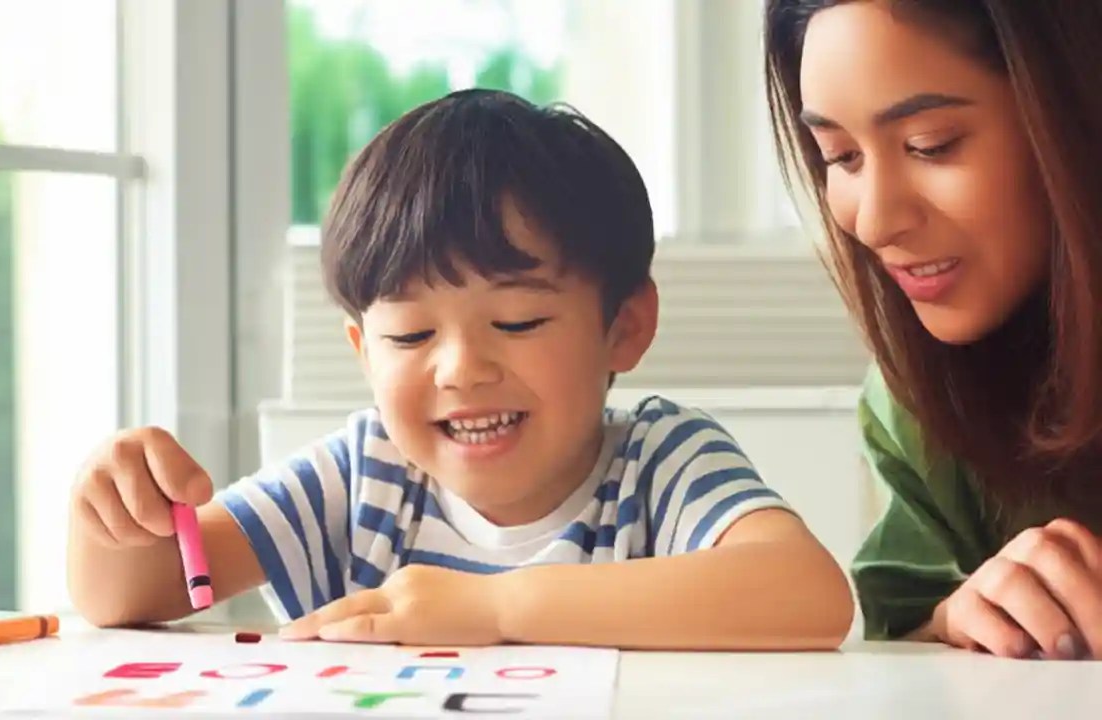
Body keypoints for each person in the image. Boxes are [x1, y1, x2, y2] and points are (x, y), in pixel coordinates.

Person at [67, 89, 853, 649]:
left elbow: (808, 596)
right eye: (409, 337)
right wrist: (110, 508)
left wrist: (497, 605)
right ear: (362, 352)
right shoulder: (365, 474)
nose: (462, 369)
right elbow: (125, 594)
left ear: (625, 327)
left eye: (517, 322)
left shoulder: (660, 463)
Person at [765, 0, 1102, 659]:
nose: (874, 222)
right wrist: (960, 619)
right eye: (841, 156)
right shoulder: (915, 406)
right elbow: (904, 646)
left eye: (930, 145)